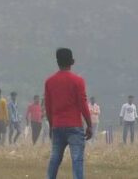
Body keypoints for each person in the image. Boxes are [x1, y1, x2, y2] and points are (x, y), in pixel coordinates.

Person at [44, 47, 92, 179]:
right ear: (72, 61)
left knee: (55, 158)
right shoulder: (78, 81)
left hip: (57, 125)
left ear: (57, 62)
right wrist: (89, 125)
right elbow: (83, 104)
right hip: (74, 125)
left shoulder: (49, 81)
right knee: (77, 159)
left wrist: (51, 125)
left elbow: (48, 107)